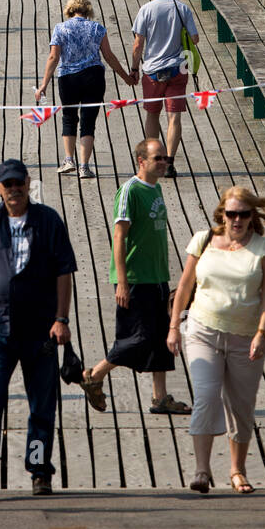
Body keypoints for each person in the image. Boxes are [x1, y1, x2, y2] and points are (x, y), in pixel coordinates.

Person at [0, 158, 76, 500]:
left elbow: (64, 271)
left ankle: (39, 471)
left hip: (40, 330)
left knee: (41, 405)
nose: (14, 190)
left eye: (19, 183)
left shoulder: (48, 220)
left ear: (28, 184)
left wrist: (61, 318)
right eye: (7, 184)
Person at [167, 187, 265, 493]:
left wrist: (261, 331)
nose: (237, 220)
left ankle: (237, 470)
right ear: (222, 214)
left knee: (241, 407)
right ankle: (202, 470)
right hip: (203, 330)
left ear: (251, 216)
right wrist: (174, 326)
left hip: (246, 338)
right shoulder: (203, 240)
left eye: (244, 214)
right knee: (206, 394)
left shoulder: (263, 249)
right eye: (232, 214)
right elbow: (185, 283)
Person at [80, 139, 190, 416]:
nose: (164, 162)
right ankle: (94, 374)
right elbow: (119, 237)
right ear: (141, 161)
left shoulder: (156, 189)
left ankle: (160, 397)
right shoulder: (130, 191)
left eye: (165, 158)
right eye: (158, 158)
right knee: (139, 338)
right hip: (135, 278)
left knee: (162, 337)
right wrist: (123, 282)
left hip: (156, 276)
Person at [35, 0, 136, 178]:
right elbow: (109, 56)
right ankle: (84, 166)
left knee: (69, 118)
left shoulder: (60, 28)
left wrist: (44, 84)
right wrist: (125, 77)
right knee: (88, 122)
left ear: (70, 10)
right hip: (94, 77)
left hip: (68, 78)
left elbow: (53, 57)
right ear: (88, 10)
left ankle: (68, 160)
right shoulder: (97, 28)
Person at [131, 0, 199, 178]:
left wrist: (134, 69)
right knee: (174, 117)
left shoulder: (146, 10)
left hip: (152, 70)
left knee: (152, 114)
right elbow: (194, 39)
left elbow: (138, 43)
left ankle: (153, 161)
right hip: (178, 68)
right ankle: (169, 162)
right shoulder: (182, 8)